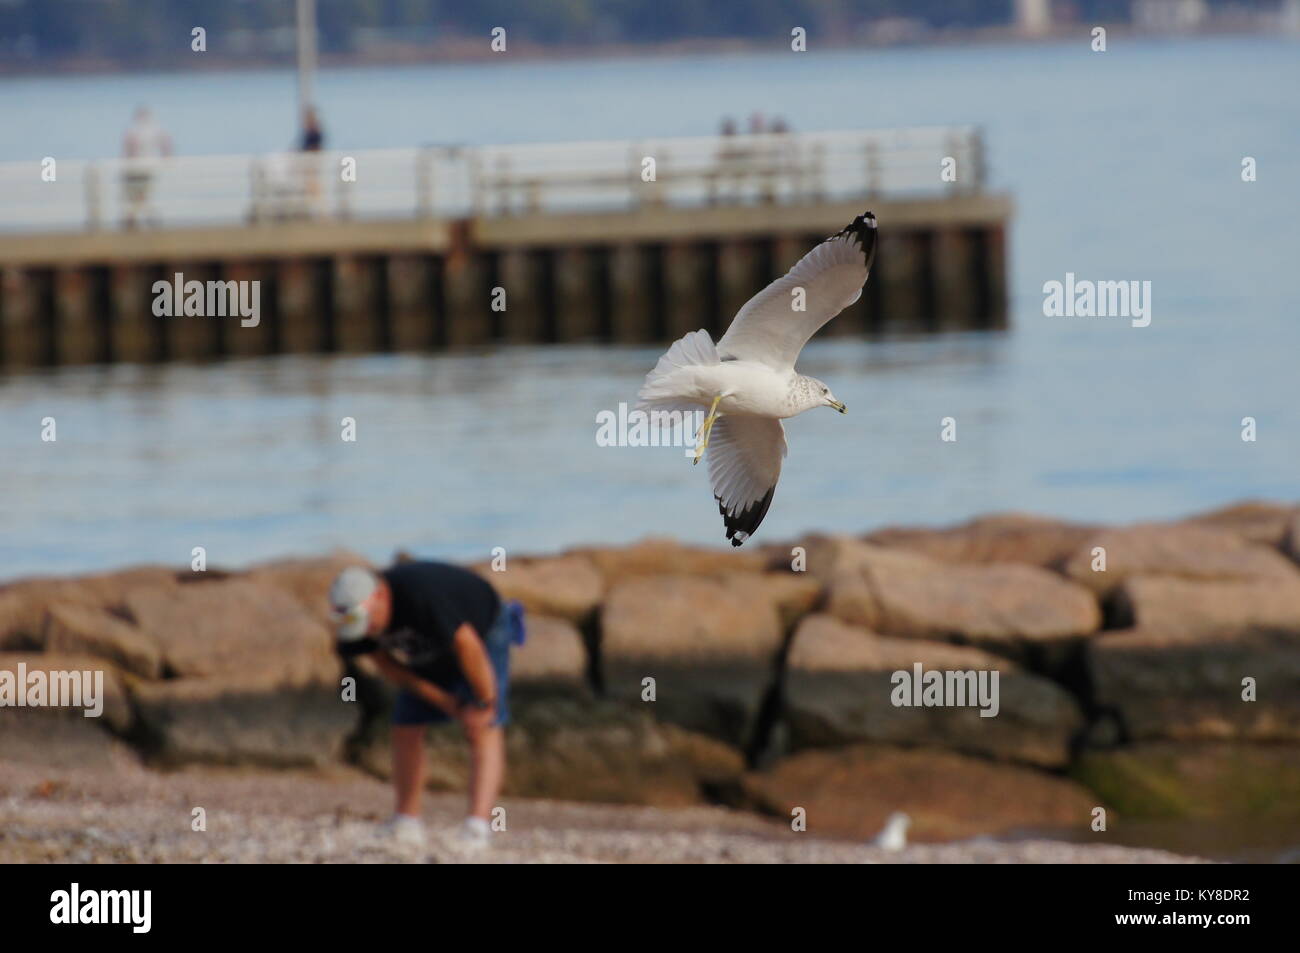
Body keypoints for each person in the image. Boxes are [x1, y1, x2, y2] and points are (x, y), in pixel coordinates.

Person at [329, 562, 523, 849]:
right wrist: (448, 703)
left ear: (381, 595)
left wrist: (483, 703)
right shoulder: (355, 626)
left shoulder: (421, 597)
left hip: (483, 631)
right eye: (359, 627)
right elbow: (390, 668)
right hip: (427, 648)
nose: (367, 630)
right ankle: (406, 822)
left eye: (367, 621)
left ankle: (479, 828)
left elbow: (467, 645)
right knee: (405, 726)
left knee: (483, 726)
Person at [120, 106, 172, 228]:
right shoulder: (155, 129)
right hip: (147, 167)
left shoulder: (133, 129)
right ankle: (144, 218)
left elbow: (129, 147)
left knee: (134, 194)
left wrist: (127, 164)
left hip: (135, 168)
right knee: (141, 194)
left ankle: (134, 219)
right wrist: (167, 157)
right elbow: (166, 142)